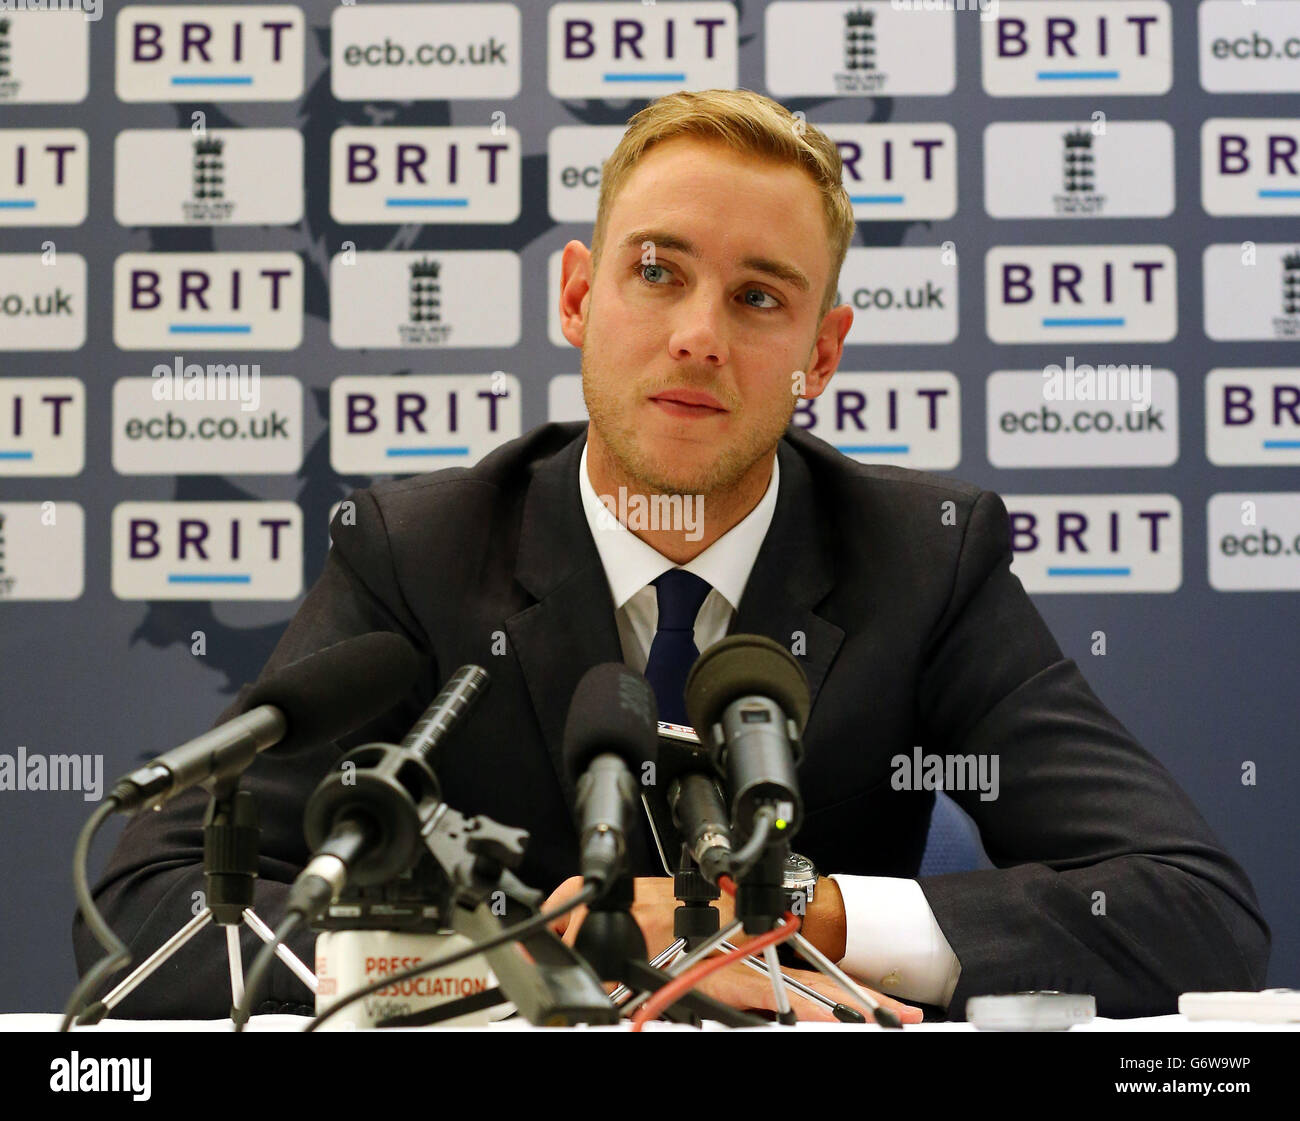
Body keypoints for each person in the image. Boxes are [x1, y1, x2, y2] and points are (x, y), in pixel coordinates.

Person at [74, 88, 1269, 1023]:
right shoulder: (420, 549)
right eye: (658, 271)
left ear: (824, 350)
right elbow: (151, 903)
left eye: (760, 298)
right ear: (580, 297)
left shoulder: (924, 560)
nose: (698, 335)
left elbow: (1187, 902)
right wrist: (515, 967)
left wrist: (796, 913)